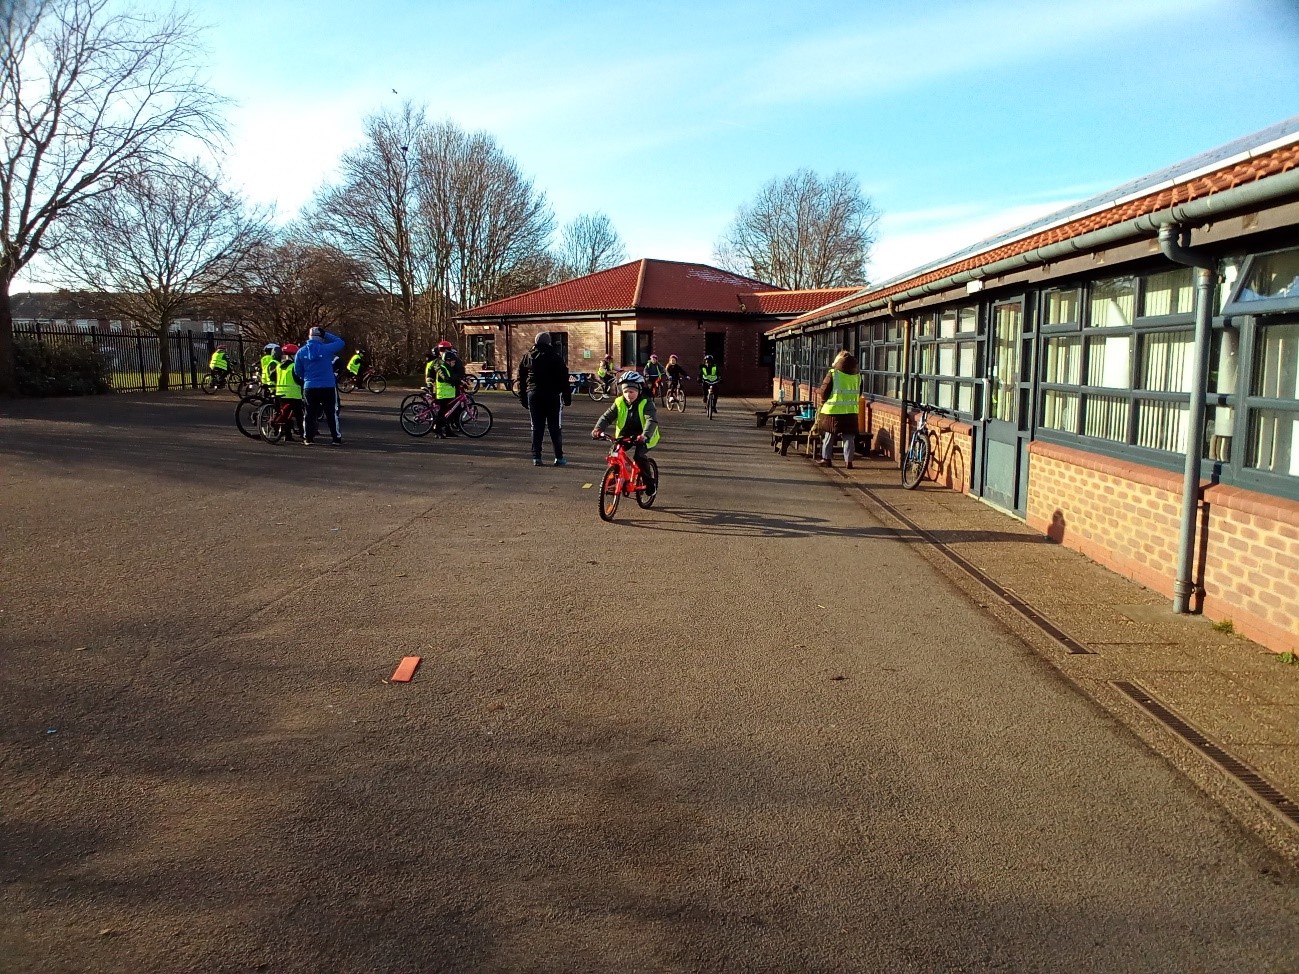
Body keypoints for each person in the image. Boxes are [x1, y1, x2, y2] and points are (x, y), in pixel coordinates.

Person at [591, 371, 659, 498]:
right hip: (626, 433)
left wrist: (645, 435)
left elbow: (651, 420)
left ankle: (650, 484)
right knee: (614, 453)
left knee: (639, 456)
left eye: (632, 391)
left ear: (639, 390)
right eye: (625, 391)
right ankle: (612, 480)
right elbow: (606, 417)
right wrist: (598, 429)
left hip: (645, 435)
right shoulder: (618, 402)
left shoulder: (647, 402)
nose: (628, 395)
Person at [517, 331, 571, 466]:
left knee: (536, 426)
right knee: (555, 427)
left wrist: (523, 397)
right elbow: (564, 379)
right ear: (549, 342)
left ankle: (537, 457)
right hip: (552, 395)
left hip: (533, 394)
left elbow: (521, 379)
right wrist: (567, 397)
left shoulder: (527, 357)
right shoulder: (556, 357)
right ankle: (558, 457)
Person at [293, 326, 346, 445]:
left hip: (310, 386)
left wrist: (306, 379)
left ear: (309, 337)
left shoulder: (301, 352)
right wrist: (326, 334)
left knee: (309, 413)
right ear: (321, 337)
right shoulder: (326, 349)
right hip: (328, 385)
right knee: (331, 413)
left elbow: (298, 371)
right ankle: (336, 438)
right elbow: (340, 342)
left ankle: (308, 438)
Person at [816, 350, 862, 469]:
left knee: (829, 435)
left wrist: (822, 397)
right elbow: (859, 393)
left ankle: (826, 459)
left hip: (833, 411)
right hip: (851, 411)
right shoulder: (857, 376)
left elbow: (824, 392)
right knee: (849, 437)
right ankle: (848, 462)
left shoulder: (833, 373)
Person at [433, 347, 466, 437]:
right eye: (453, 361)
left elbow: (453, 377)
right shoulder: (442, 368)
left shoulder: (448, 367)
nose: (454, 363)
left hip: (448, 393)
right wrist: (458, 381)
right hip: (443, 394)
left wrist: (460, 381)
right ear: (448, 361)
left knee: (449, 414)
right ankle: (437, 429)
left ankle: (447, 430)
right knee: (442, 413)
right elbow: (447, 378)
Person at [274, 343, 304, 441]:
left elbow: (272, 377)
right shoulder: (294, 366)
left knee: (285, 415)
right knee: (299, 415)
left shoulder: (279, 366)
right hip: (293, 394)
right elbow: (298, 380)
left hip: (280, 394)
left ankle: (287, 435)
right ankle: (303, 434)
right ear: (292, 355)